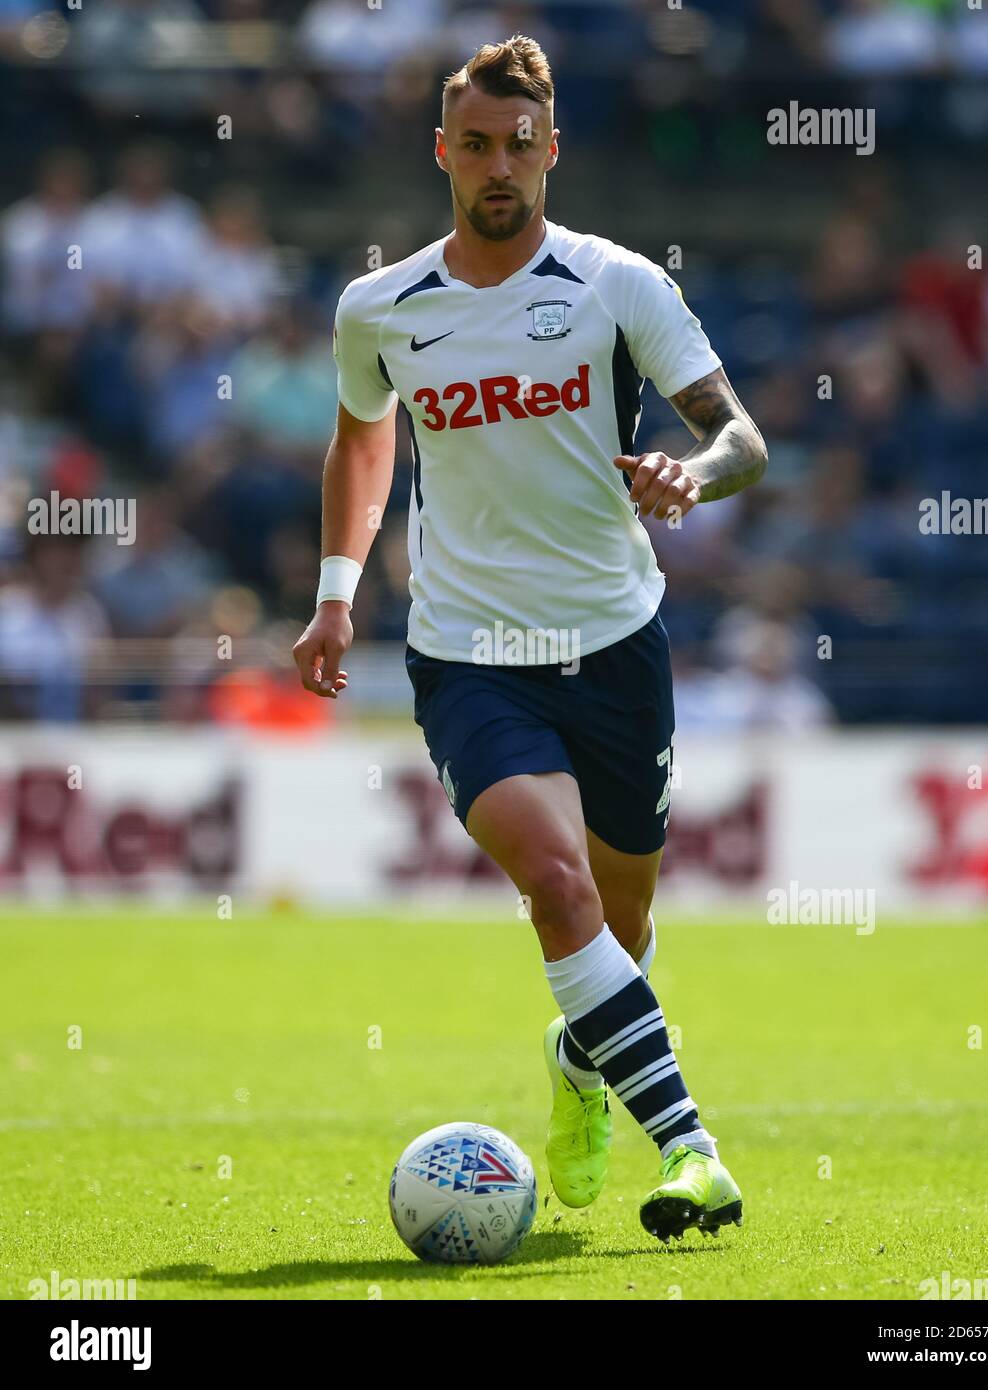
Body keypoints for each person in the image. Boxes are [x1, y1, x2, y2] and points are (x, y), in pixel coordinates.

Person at [292, 35, 767, 1244]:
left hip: (615, 639)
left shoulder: (615, 285)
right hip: (467, 653)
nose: (496, 165)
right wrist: (338, 586)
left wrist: (688, 476)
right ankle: (694, 1152)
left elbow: (742, 439)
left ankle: (576, 1060)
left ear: (550, 151)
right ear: (440, 151)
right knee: (555, 889)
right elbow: (361, 439)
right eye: (474, 144)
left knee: (620, 931)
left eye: (517, 146)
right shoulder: (380, 307)